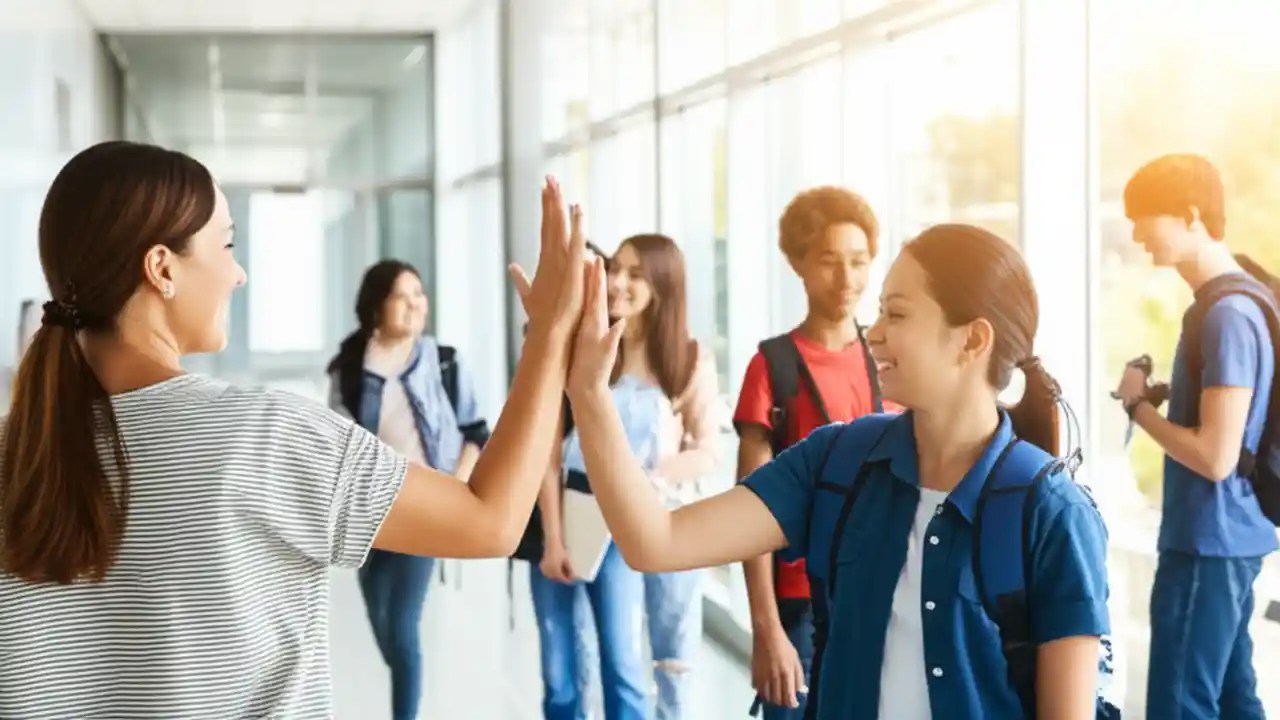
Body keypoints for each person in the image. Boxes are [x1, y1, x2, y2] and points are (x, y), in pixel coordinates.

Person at [0, 141, 589, 718]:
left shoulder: (13, 448)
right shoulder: (261, 434)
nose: (238, 273)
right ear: (161, 268)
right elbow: (491, 522)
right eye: (226, 245)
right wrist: (549, 335)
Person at [562, 222, 1111, 719]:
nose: (872, 332)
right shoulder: (837, 461)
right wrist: (588, 391)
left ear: (972, 339)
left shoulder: (1052, 514)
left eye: (896, 314)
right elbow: (654, 541)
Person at [536, 234, 721, 720]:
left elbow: (707, 451)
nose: (618, 282)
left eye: (636, 274)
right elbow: (549, 452)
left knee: (625, 663)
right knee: (562, 672)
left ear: (663, 284)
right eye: (616, 268)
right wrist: (552, 537)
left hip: (630, 522)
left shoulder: (687, 359)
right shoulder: (586, 345)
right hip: (571, 509)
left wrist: (649, 481)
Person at [1117, 154, 1274, 720]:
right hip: (1229, 538)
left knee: (1180, 706)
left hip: (1208, 540)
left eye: (1144, 218)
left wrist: (1137, 407)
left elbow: (1214, 456)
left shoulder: (1226, 314)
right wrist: (1165, 396)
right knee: (1235, 701)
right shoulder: (1239, 299)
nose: (1135, 234)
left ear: (1187, 215)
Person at [733, 186, 890, 717]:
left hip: (881, 589)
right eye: (829, 262)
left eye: (859, 262)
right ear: (798, 263)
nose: (847, 280)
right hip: (799, 604)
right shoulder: (772, 366)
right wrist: (766, 630)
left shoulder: (889, 358)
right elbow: (748, 511)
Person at [326, 259, 490, 720]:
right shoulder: (351, 367)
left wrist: (454, 489)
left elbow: (477, 430)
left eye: (420, 293)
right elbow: (344, 439)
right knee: (380, 619)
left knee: (401, 626)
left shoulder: (444, 361)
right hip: (371, 511)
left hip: (427, 509)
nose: (416, 304)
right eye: (404, 295)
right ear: (378, 306)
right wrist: (374, 376)